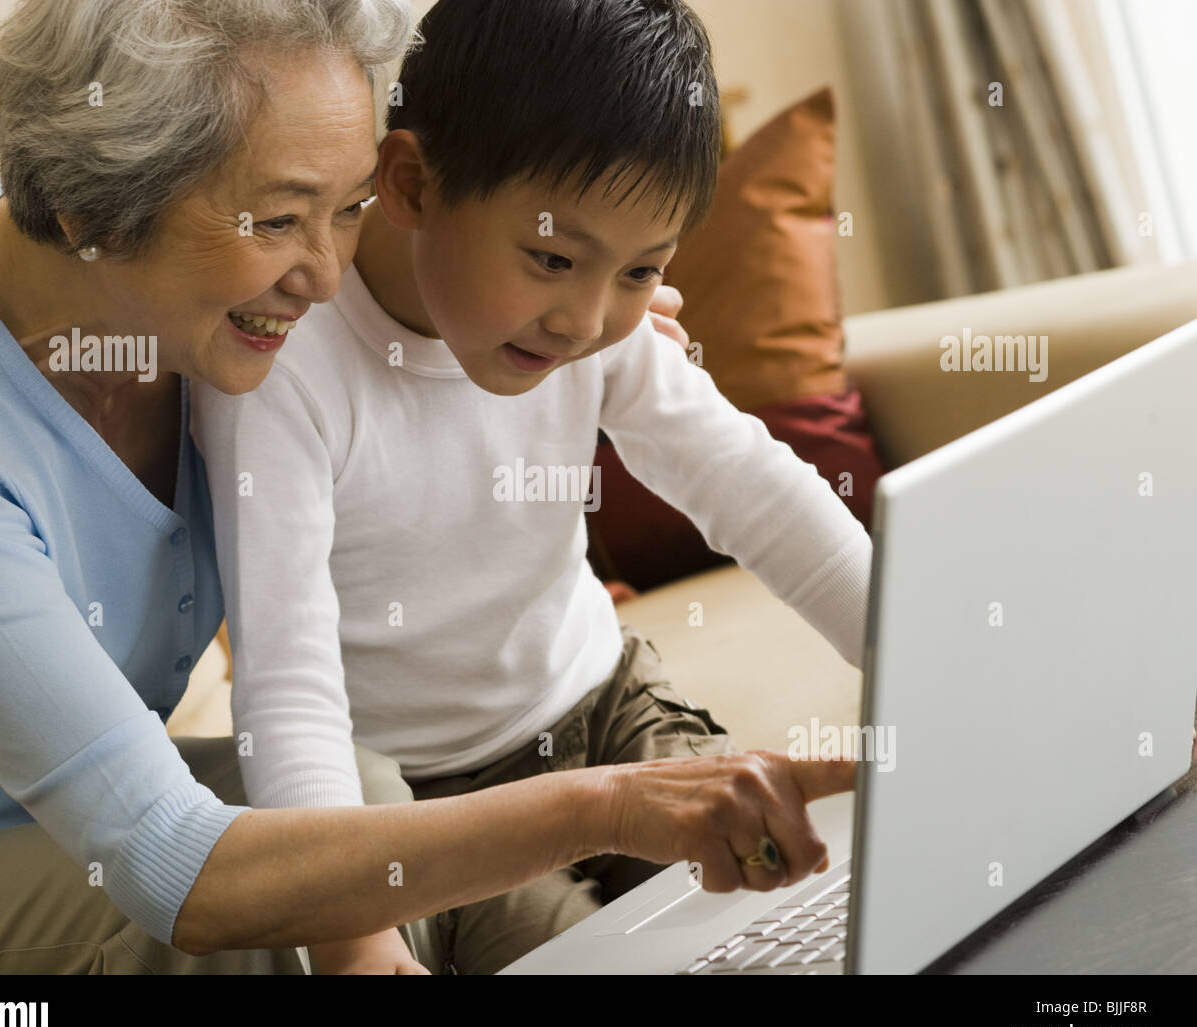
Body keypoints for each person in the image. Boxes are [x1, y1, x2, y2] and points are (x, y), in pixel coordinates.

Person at [0, 0, 848, 976]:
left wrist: (573, 302)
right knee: (259, 919)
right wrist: (606, 804)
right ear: (90, 214)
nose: (324, 277)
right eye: (277, 221)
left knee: (361, 798)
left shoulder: (171, 295)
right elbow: (168, 860)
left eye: (347, 208)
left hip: (116, 785)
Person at [193, 0, 872, 975]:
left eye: (642, 270)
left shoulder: (600, 327)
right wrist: (351, 939)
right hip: (437, 809)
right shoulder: (284, 364)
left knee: (805, 922)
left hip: (606, 707)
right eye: (551, 259)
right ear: (413, 183)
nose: (585, 320)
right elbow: (284, 681)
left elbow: (753, 485)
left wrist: (920, 658)